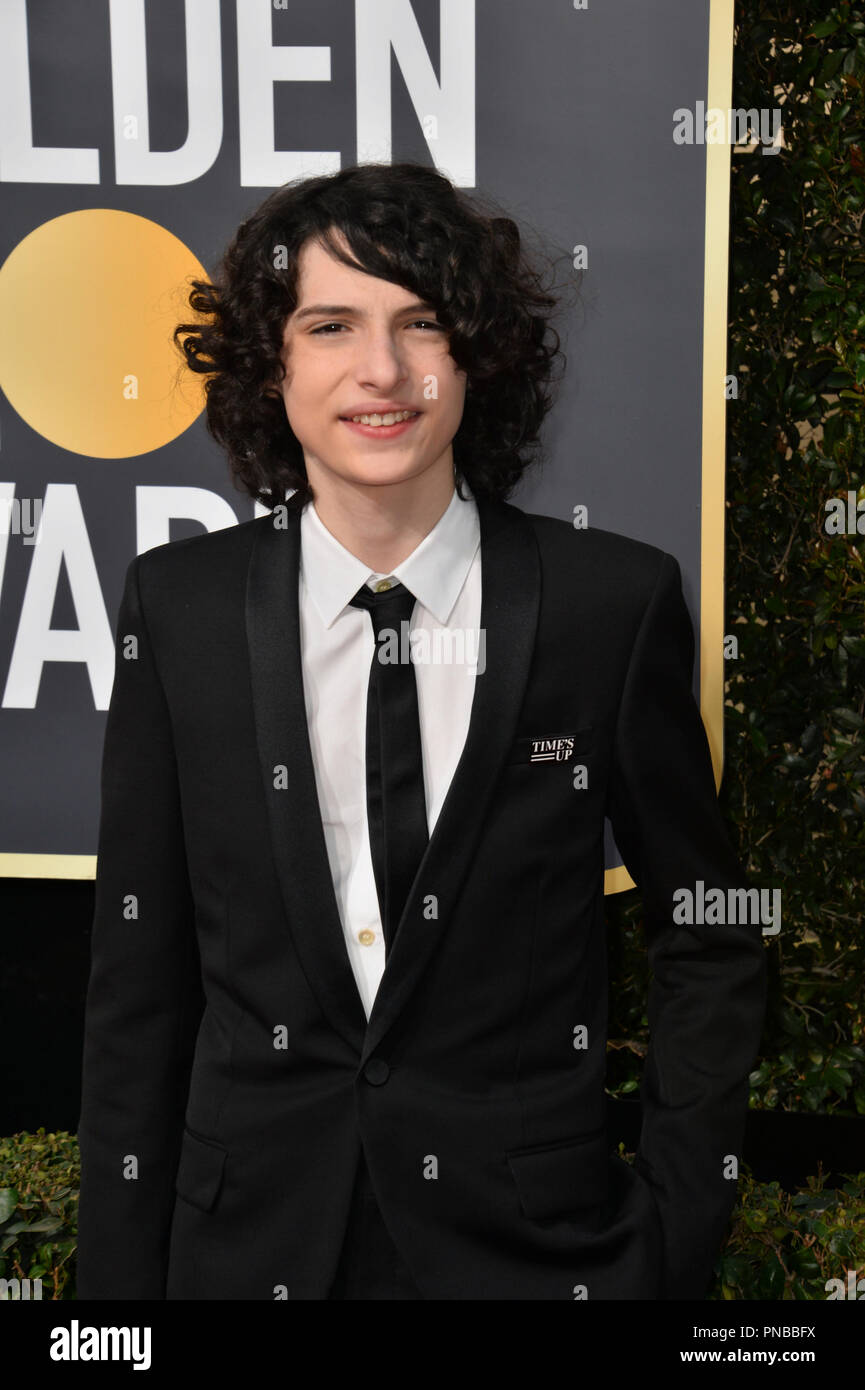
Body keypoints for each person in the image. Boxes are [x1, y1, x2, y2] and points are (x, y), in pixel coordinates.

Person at [76, 161, 767, 1301]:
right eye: (332, 323)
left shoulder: (610, 604)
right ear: (273, 361)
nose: (381, 370)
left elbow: (708, 929)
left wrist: (673, 1232)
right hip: (248, 1252)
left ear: (475, 358)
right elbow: (136, 985)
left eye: (422, 325)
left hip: (538, 1259)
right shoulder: (179, 608)